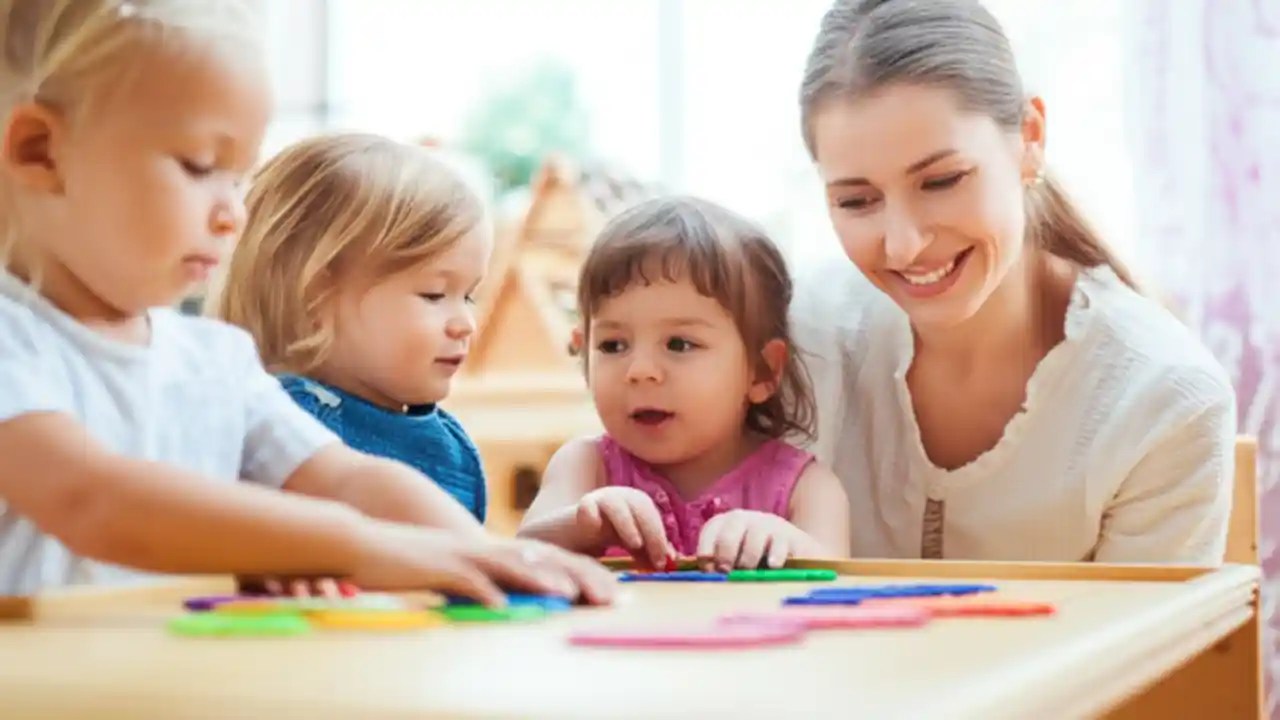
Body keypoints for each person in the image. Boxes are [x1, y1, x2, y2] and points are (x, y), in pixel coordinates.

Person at [0, 0, 614, 606]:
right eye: (200, 167)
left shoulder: (218, 362)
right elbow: (92, 500)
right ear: (40, 151)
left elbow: (346, 477)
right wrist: (359, 548)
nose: (232, 212)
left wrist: (483, 552)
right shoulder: (13, 341)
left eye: (239, 178)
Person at [791, 0, 1236, 563]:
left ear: (1029, 137)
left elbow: (1147, 651)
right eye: (856, 200)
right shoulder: (794, 339)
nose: (902, 244)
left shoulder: (1163, 400)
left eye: (942, 180)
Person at [518, 196, 850, 571]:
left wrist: (782, 541)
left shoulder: (807, 487)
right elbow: (523, 554)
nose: (640, 370)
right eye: (613, 345)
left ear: (761, 372)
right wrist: (584, 523)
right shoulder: (585, 466)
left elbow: (838, 580)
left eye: (679, 344)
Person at [217, 133, 490, 523]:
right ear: (316, 297)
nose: (466, 324)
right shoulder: (285, 424)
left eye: (469, 296)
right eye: (433, 294)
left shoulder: (447, 441)